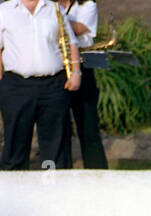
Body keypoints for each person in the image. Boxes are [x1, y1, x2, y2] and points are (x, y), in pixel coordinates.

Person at [0, 0, 81, 170]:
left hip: (53, 86)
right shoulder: (4, 11)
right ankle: (15, 192)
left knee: (55, 147)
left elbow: (71, 42)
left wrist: (76, 73)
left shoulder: (54, 9)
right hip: (16, 86)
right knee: (16, 145)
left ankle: (52, 189)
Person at [58, 0, 105, 168]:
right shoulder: (49, 7)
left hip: (82, 66)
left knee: (87, 122)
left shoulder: (88, 5)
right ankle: (62, 170)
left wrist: (55, 17)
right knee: (59, 125)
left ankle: (97, 171)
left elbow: (78, 29)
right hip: (57, 65)